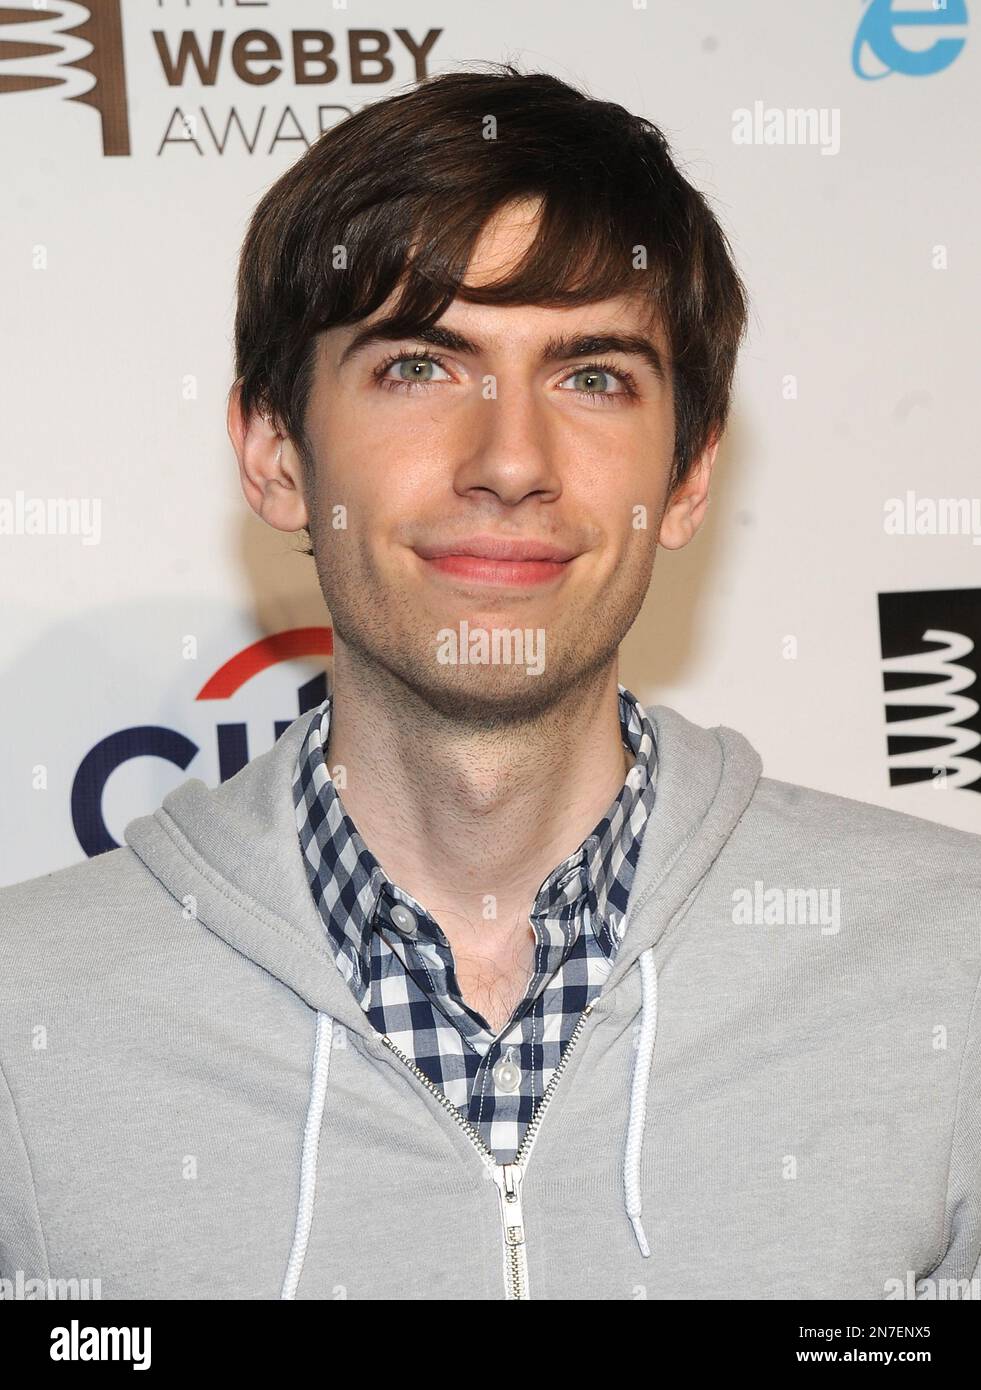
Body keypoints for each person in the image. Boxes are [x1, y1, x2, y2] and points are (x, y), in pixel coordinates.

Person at [1, 64, 978, 1303]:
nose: (511, 460)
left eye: (592, 377)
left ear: (686, 478)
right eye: (420, 364)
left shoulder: (952, 965)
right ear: (274, 452)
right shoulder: (26, 1019)